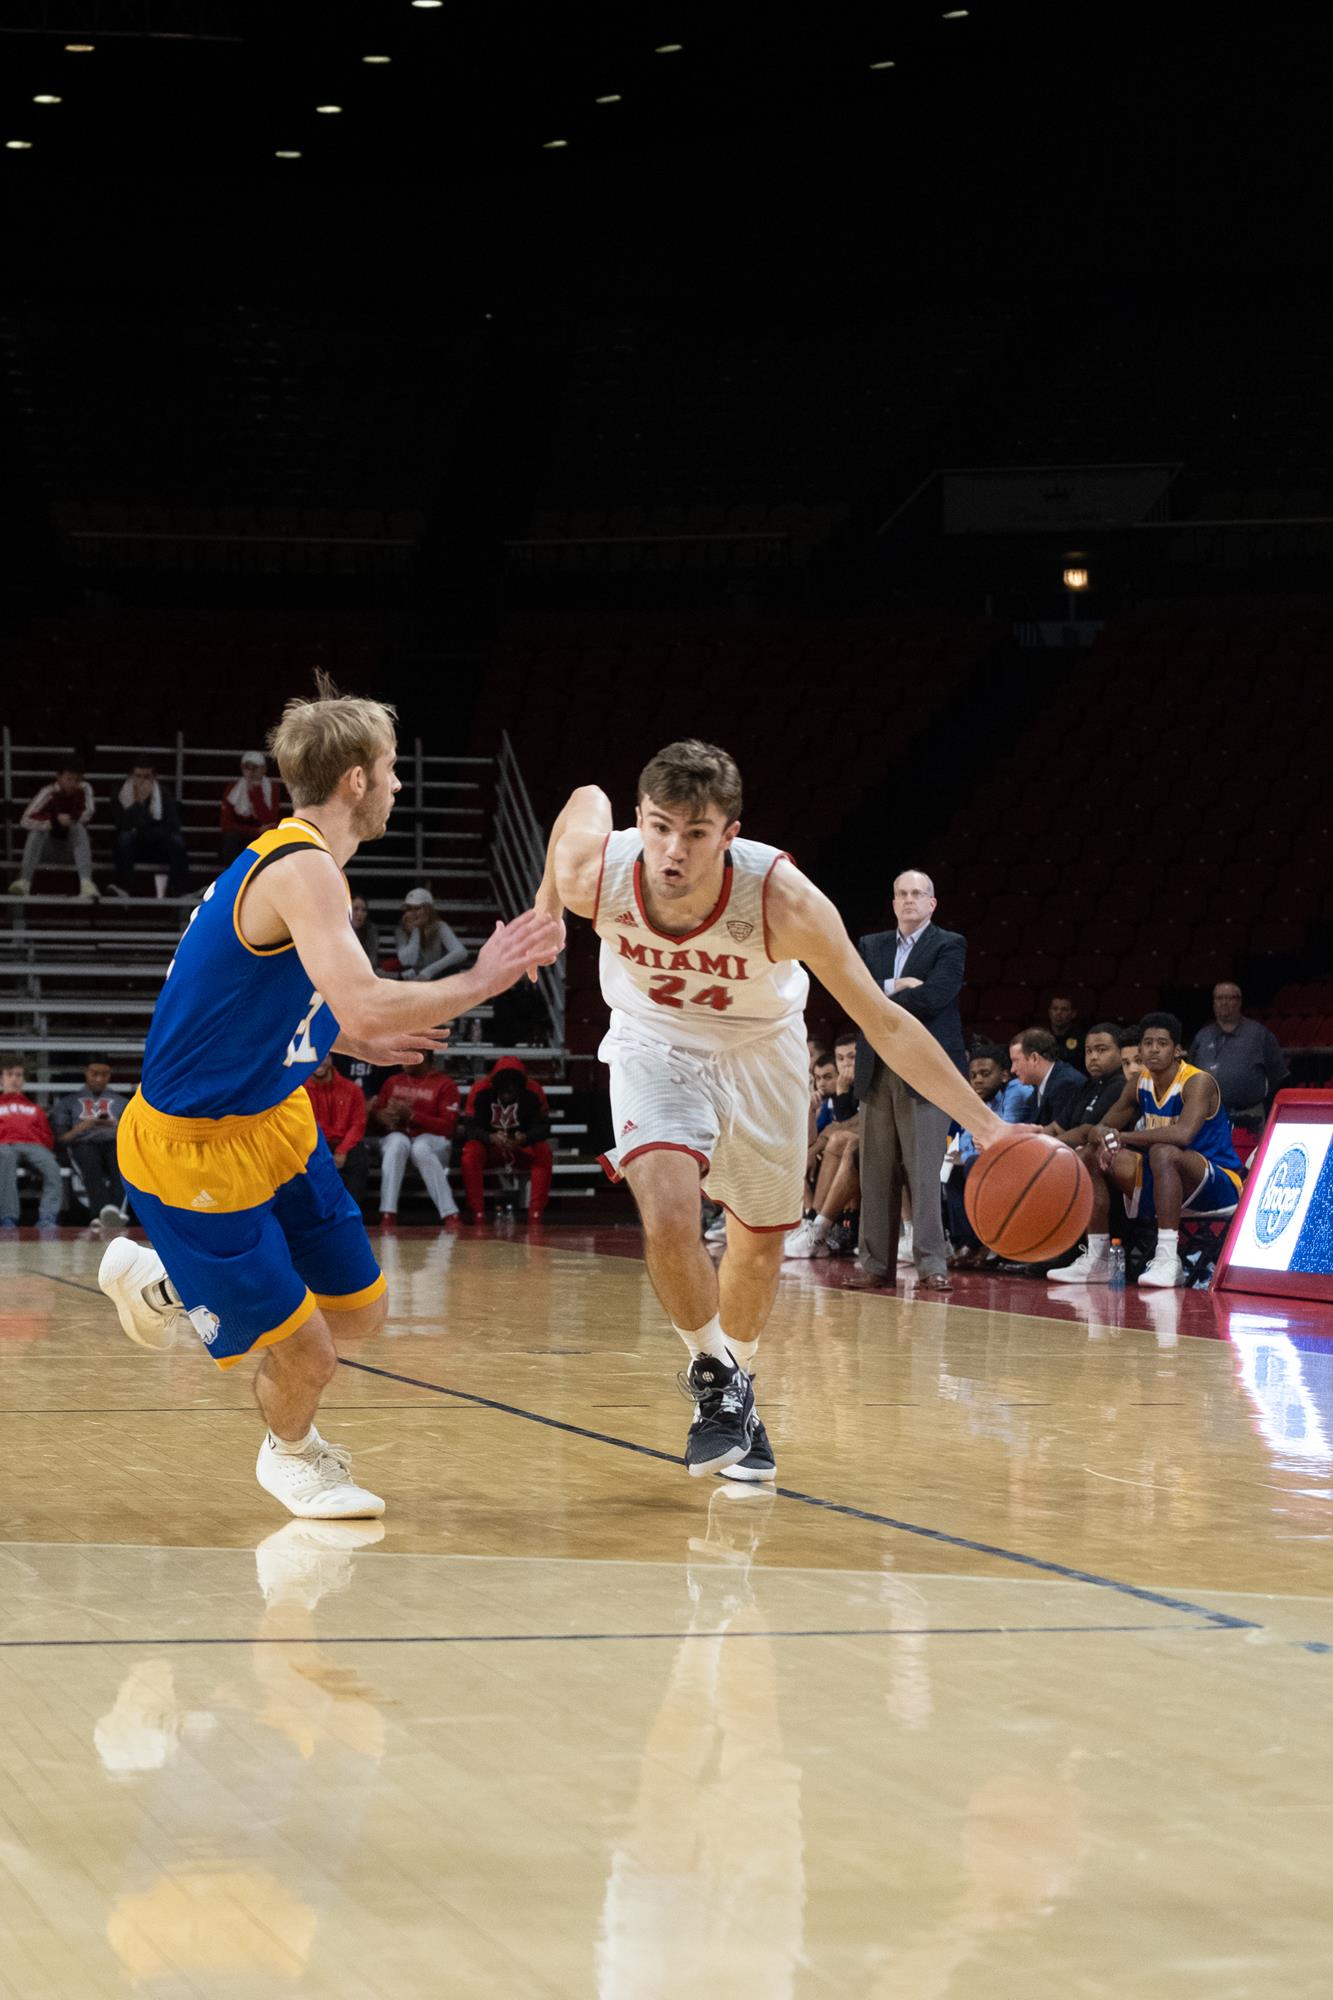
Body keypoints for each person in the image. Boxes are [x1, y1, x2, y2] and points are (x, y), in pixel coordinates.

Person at [96, 673, 561, 1519]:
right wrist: (485, 977)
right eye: (390, 769)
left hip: (274, 1118)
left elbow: (252, 996)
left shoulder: (304, 866)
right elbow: (369, 1000)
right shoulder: (302, 869)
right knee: (309, 1354)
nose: (397, 784)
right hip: (194, 1150)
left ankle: (165, 1284)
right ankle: (291, 1457)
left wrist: (340, 1036)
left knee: (359, 1310)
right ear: (355, 779)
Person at [535, 740, 1023, 1483]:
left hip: (761, 1052)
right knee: (665, 1207)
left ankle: (739, 1394)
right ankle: (713, 1378)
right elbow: (583, 801)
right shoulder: (596, 873)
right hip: (653, 1042)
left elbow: (884, 1023)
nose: (673, 850)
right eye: (659, 827)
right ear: (640, 819)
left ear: (729, 835)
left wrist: (987, 1127)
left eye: (695, 833)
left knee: (758, 1243)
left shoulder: (783, 899)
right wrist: (546, 906)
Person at [1052, 1011, 1243, 1290]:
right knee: (1088, 1155)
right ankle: (1098, 1258)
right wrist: (1099, 1137)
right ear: (1139, 1049)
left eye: (1162, 1043)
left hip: (1216, 1183)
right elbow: (1101, 1128)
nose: (1154, 1049)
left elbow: (1183, 1134)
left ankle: (1168, 1259)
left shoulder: (1197, 1081)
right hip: (1166, 1182)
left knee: (1163, 1151)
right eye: (1148, 1043)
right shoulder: (1138, 1083)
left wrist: (1120, 1137)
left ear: (1177, 1050)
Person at [854, 871, 968, 1289]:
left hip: (926, 1071)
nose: (908, 900)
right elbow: (853, 993)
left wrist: (879, 994)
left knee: (924, 1175)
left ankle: (932, 1266)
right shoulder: (872, 945)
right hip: (877, 1067)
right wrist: (898, 984)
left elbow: (936, 996)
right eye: (901, 893)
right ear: (893, 902)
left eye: (917, 894)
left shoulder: (949, 944)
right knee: (875, 1176)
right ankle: (874, 1266)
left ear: (931, 903)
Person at [459, 1056, 553, 1224]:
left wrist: (524, 1137)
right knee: (470, 1152)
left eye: (512, 1086)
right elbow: (470, 1128)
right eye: (503, 1087)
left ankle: (536, 1213)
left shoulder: (534, 1090)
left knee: (543, 1151)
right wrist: (490, 1137)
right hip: (490, 1148)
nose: (507, 1091)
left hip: (520, 1147)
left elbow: (544, 1127)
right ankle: (477, 1212)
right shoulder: (480, 1089)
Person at [370, 1055, 461, 1226]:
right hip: (399, 1136)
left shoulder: (445, 1084)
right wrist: (380, 1116)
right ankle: (388, 1214)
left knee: (420, 1148)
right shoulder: (393, 1081)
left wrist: (412, 1116)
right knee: (397, 1143)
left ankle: (450, 1214)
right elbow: (377, 1115)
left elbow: (448, 1128)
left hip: (433, 1141)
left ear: (422, 1055)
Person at [1188, 981, 1288, 1132]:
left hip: (1250, 1118)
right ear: (1213, 1003)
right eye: (1219, 998)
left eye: (1229, 998)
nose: (1224, 1002)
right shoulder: (1202, 1036)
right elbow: (1190, 1074)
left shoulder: (1259, 1034)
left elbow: (1278, 1076)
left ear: (1239, 1001)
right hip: (1207, 1118)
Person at [50, 1057, 128, 1226]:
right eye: (94, 1074)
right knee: (91, 1168)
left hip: (114, 1141)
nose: (99, 1078)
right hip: (83, 1142)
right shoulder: (69, 1102)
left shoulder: (123, 1103)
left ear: (110, 1075)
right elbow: (62, 1138)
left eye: (104, 1074)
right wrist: (82, 1127)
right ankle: (101, 1213)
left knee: (123, 1165)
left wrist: (116, 1125)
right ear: (86, 1073)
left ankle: (114, 1212)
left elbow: (132, 1134)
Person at [9, 761, 98, 899]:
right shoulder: (48, 792)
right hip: (45, 851)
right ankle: (24, 881)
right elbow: (25, 820)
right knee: (36, 831)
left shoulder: (84, 788)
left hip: (72, 853)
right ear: (59, 777)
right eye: (69, 779)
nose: (73, 784)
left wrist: (70, 818)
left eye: (77, 780)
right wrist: (53, 821)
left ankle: (86, 883)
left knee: (78, 827)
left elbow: (89, 812)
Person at [110, 760, 190, 899]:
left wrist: (144, 831)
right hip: (132, 847)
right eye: (138, 776)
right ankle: (123, 888)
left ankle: (182, 891)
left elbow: (172, 825)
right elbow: (121, 824)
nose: (141, 781)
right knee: (125, 838)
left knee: (177, 841)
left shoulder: (163, 793)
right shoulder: (120, 792)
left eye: (146, 776)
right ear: (131, 776)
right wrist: (139, 803)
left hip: (157, 844)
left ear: (154, 777)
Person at [0, 1057, 64, 1226]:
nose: (14, 1079)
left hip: (33, 1146)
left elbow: (46, 1135)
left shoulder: (35, 1109)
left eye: (19, 1075)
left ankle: (48, 1217)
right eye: (10, 1074)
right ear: (1, 1079)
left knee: (52, 1166)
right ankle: (7, 1218)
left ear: (24, 1080)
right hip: (3, 1145)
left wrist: (45, 1151)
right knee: (5, 1159)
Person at [303, 1053, 369, 1207]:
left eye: (324, 1057)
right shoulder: (300, 1091)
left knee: (360, 1159)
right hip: (315, 1144)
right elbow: (304, 1126)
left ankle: (351, 1209)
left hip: (344, 1143)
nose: (320, 1062)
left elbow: (358, 1124)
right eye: (315, 1057)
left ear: (331, 1059)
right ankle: (313, 1212)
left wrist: (342, 1150)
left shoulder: (352, 1089)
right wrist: (322, 1150)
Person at [1048, 1024, 1128, 1147]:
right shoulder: (1088, 1084)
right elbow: (1056, 1128)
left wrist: (1045, 1145)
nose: (1093, 1057)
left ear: (1121, 1052)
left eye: (1101, 1050)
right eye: (1089, 1051)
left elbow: (1085, 1134)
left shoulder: (1121, 1084)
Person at [1009, 1029, 1085, 1134]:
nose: (1012, 1069)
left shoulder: (1066, 1084)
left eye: (1015, 1061)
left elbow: (1058, 1137)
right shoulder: (1039, 1086)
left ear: (1034, 1058)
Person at [219, 751, 286, 867]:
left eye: (255, 767)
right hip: (241, 834)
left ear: (264, 769)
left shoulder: (272, 788)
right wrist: (254, 831)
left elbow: (269, 819)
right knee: (230, 840)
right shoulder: (233, 789)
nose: (251, 772)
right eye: (247, 767)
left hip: (262, 834)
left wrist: (256, 791)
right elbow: (226, 824)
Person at [390, 888, 468, 981]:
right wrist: (416, 931)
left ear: (428, 910)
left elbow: (461, 952)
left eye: (417, 908)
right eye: (409, 909)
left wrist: (428, 972)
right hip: (414, 978)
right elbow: (407, 961)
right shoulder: (401, 930)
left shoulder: (440, 926)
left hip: (437, 977)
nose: (412, 913)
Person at [1046, 994, 1086, 1074]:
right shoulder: (1040, 1038)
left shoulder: (1082, 1039)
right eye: (1055, 1009)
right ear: (1049, 1012)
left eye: (1064, 1009)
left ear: (1073, 1014)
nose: (1059, 1013)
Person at [348, 891, 380, 969]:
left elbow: (373, 960)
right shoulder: (339, 929)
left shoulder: (371, 930)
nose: (360, 914)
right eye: (355, 909)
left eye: (364, 910)